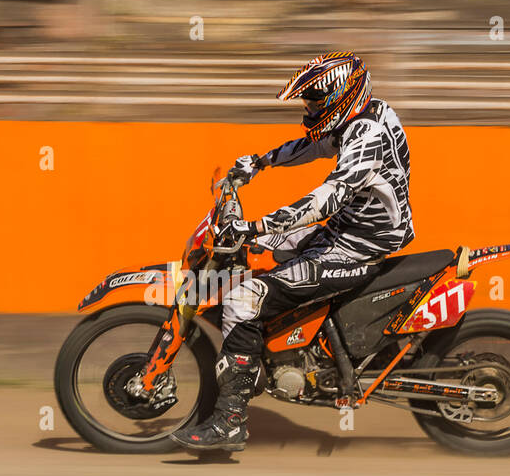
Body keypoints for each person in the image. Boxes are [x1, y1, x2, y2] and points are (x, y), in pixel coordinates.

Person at [171, 50, 414, 452]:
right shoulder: (362, 117)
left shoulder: (367, 134)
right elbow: (313, 147)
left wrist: (256, 225)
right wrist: (259, 163)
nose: (309, 109)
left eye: (315, 101)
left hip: (357, 248)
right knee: (249, 254)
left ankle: (230, 422)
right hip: (345, 233)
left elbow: (327, 199)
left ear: (341, 95)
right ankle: (268, 352)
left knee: (244, 298)